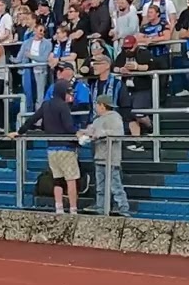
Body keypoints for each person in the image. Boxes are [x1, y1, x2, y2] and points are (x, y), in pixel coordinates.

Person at [11, 79, 80, 214]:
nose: (70, 95)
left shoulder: (46, 104)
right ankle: (73, 209)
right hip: (66, 148)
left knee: (57, 179)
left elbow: (32, 120)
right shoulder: (63, 106)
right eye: (68, 92)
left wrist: (19, 132)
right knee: (71, 179)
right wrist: (79, 134)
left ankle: (59, 207)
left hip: (51, 149)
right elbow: (69, 127)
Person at [79, 94, 130, 216]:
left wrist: (100, 134)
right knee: (100, 187)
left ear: (102, 105)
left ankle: (122, 207)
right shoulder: (97, 120)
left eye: (97, 104)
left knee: (115, 185)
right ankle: (101, 207)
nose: (95, 107)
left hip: (111, 158)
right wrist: (85, 132)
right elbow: (92, 131)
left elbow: (118, 133)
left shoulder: (115, 117)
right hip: (99, 157)